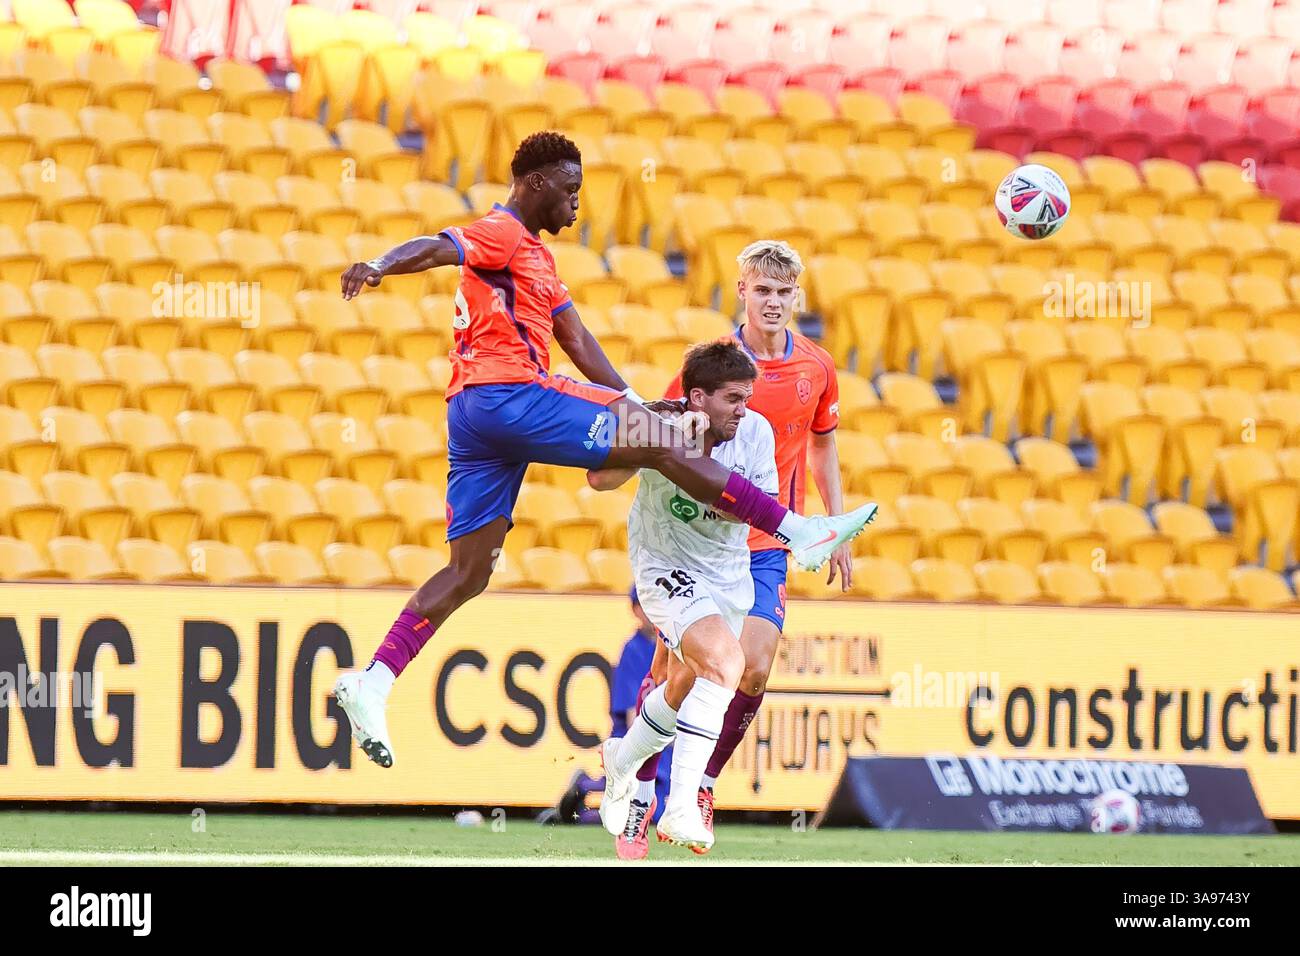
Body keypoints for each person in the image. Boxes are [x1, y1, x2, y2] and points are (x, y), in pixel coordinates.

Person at [330, 132, 879, 770]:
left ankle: (373, 680)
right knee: (663, 444)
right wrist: (379, 265)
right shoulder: (504, 233)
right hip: (511, 393)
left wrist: (639, 403)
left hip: (473, 419)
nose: (576, 206)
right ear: (535, 185)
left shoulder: (537, 261)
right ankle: (795, 529)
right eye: (569, 191)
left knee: (470, 570)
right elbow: (439, 244)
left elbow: (578, 338)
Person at [594, 340, 875, 853]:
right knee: (726, 663)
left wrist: (703, 474)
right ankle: (680, 803)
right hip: (666, 565)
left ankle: (622, 760)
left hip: (728, 572)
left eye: (748, 397)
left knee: (680, 685)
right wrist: (654, 444)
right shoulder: (658, 423)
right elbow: (599, 477)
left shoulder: (756, 432)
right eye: (734, 400)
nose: (745, 410)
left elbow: (747, 508)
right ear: (697, 398)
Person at [627, 239, 852, 852]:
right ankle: (640, 783)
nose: (774, 302)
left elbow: (823, 445)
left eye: (784, 293)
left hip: (769, 542)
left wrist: (832, 529)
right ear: (742, 294)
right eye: (763, 291)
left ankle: (699, 784)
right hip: (700, 544)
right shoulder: (710, 366)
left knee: (752, 669)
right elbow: (658, 430)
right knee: (678, 676)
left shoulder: (817, 367)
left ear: (797, 298)